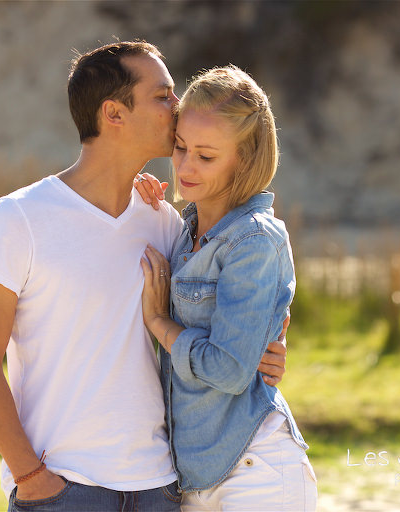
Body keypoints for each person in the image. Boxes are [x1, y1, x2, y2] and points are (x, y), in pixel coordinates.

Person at [0, 41, 288, 511]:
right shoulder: (16, 220)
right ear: (114, 113)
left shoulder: (166, 223)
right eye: (163, 95)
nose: (178, 107)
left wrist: (269, 348)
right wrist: (31, 477)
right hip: (64, 487)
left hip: (162, 486)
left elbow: (227, 324)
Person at [140, 65, 318, 511]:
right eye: (180, 148)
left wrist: (160, 323)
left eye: (206, 156)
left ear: (245, 158)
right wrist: (139, 204)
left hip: (256, 468)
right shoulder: (183, 229)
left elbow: (228, 369)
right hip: (193, 476)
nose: (184, 166)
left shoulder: (254, 240)